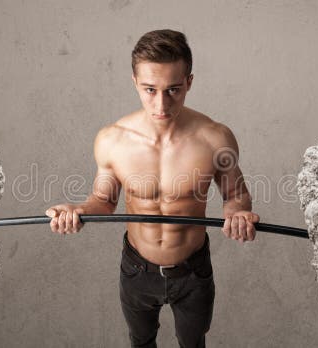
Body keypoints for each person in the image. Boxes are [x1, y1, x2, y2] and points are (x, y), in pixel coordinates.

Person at [45, 29, 258, 348]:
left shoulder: (215, 138)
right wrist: (78, 210)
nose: (161, 104)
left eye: (173, 89)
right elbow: (103, 201)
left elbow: (235, 194)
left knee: (193, 344)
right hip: (137, 269)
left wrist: (238, 214)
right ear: (134, 81)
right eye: (149, 89)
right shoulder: (112, 140)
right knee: (141, 342)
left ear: (189, 82)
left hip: (193, 270)